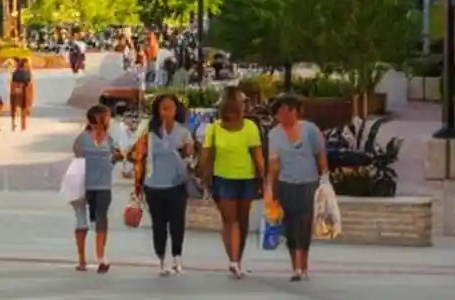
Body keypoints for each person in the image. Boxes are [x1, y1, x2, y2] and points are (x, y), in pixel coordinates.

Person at [201, 88, 264, 278]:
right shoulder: (214, 128)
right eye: (241, 102)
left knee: (242, 221)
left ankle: (237, 258)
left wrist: (264, 180)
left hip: (247, 179)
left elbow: (258, 156)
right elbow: (207, 156)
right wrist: (204, 179)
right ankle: (234, 260)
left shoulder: (250, 127)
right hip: (223, 178)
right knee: (231, 220)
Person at [264, 93, 328, 281]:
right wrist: (270, 189)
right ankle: (295, 268)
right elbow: (273, 165)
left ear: (294, 111)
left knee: (304, 225)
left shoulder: (310, 130)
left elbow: (320, 155)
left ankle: (304, 266)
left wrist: (325, 179)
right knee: (290, 226)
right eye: (278, 112)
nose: (281, 115)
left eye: (285, 111)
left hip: (308, 183)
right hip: (285, 184)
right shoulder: (274, 134)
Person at [133, 93, 193, 276]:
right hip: (154, 185)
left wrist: (188, 151)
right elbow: (138, 157)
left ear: (176, 110)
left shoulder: (183, 132)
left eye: (171, 108)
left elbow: (190, 157)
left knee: (177, 223)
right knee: (159, 224)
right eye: (164, 108)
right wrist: (138, 185)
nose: (167, 112)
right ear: (158, 111)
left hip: (177, 184)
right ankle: (162, 258)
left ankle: (177, 257)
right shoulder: (149, 133)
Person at [73, 104, 124, 274]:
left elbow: (117, 154)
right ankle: (81, 259)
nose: (109, 119)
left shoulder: (110, 138)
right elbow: (77, 156)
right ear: (97, 118)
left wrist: (117, 157)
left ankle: (101, 258)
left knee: (101, 218)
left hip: (103, 185)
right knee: (82, 221)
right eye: (106, 116)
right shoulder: (82, 138)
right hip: (82, 186)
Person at [9, 57, 34, 132]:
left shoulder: (15, 71)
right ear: (25, 64)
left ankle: (13, 123)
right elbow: (30, 83)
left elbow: (12, 82)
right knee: (24, 108)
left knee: (14, 107)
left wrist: (12, 90)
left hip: (15, 90)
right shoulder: (27, 72)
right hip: (24, 90)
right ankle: (23, 126)